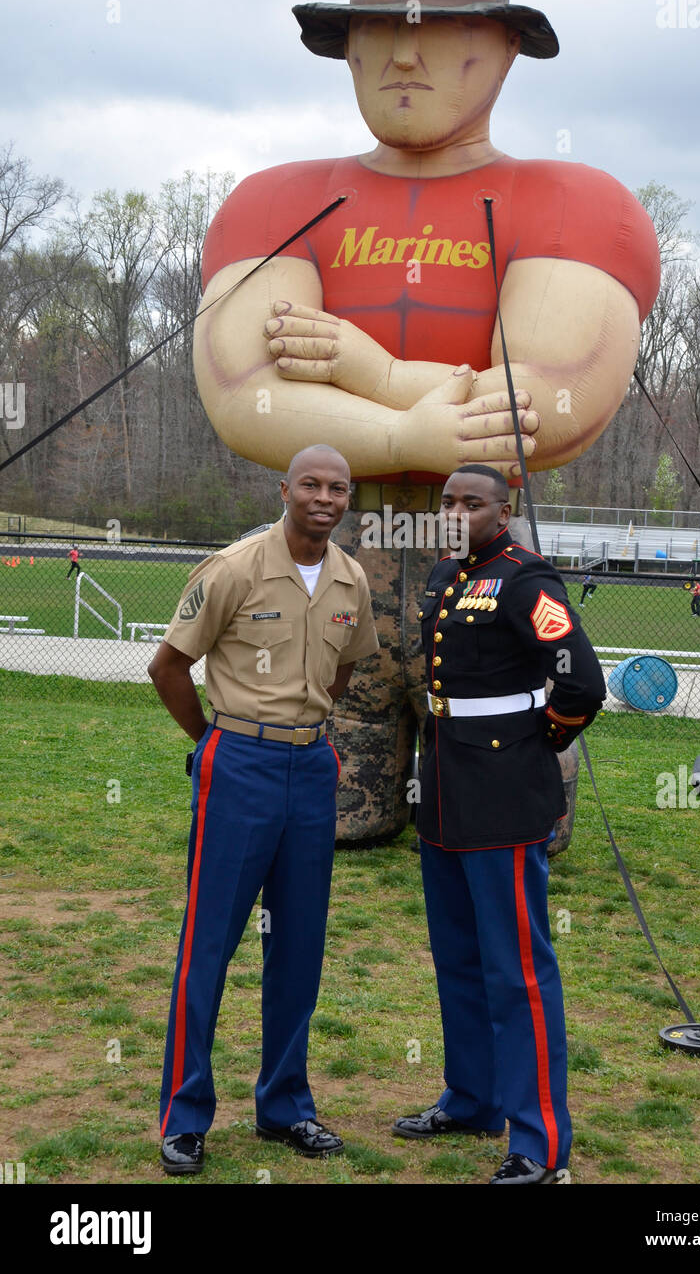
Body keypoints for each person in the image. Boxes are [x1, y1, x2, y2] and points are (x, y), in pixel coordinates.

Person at [192, 0, 661, 844]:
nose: (405, 55)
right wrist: (413, 428)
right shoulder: (277, 201)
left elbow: (539, 405)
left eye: (439, 32)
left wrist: (365, 367)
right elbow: (245, 396)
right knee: (333, 802)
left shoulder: (572, 201)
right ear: (351, 49)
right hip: (333, 574)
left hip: (483, 575)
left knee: (506, 801)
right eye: (381, 32)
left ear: (501, 48)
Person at [147, 445, 379, 1176]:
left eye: (337, 488)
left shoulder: (351, 580)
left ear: (348, 499)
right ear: (285, 489)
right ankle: (185, 1116)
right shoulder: (234, 568)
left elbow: (342, 672)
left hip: (311, 766)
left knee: (300, 945)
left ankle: (286, 1107)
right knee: (209, 944)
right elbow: (168, 666)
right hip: (237, 764)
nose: (324, 497)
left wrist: (297, 729)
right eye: (310, 484)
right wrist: (216, 740)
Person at [393, 465, 605, 1184]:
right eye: (447, 501)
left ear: (503, 510)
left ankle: (538, 1140)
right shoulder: (445, 574)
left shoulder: (525, 578)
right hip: (447, 790)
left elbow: (580, 681)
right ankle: (473, 1098)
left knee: (518, 972)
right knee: (458, 959)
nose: (456, 511)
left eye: (471, 502)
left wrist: (533, 746)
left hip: (504, 794)